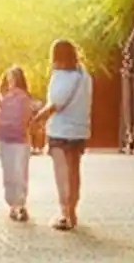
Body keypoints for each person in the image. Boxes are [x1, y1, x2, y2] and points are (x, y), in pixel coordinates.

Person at [37, 39, 92, 231]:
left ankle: (64, 214)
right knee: (74, 172)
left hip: (61, 131)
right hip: (79, 130)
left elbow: (56, 103)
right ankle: (73, 211)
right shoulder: (84, 75)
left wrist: (36, 118)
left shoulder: (62, 76)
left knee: (62, 173)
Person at [0, 65, 38, 222]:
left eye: (13, 79)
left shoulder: (21, 97)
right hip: (7, 138)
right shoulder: (3, 95)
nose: (11, 82)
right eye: (9, 79)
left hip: (18, 139)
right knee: (11, 171)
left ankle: (20, 205)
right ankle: (13, 205)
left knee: (18, 172)